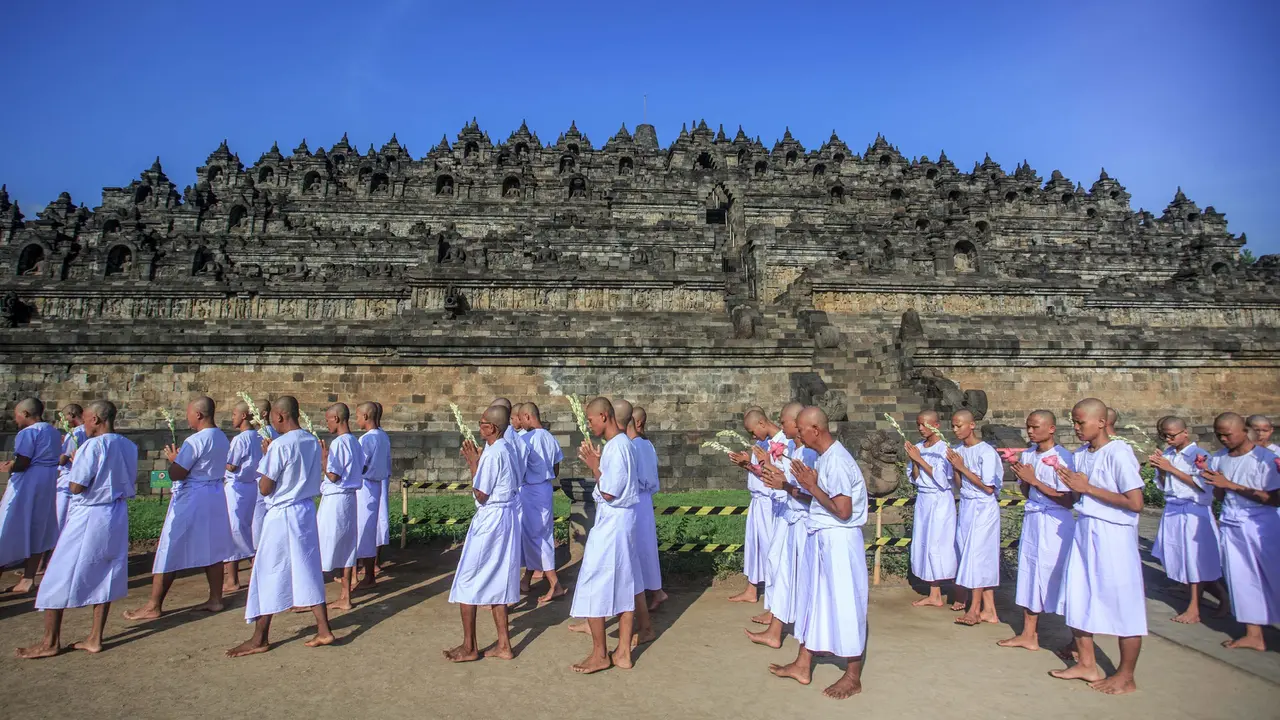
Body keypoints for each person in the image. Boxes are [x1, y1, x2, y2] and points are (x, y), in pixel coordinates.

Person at [15, 400, 137, 659]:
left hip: (89, 513)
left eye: (86, 418)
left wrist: (72, 462)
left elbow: (76, 487)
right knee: (106, 570)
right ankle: (95, 637)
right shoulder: (128, 445)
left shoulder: (92, 446)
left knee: (57, 574)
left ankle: (50, 641)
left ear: (95, 420)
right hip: (115, 513)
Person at [768, 406, 868, 700]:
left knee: (845, 604)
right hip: (823, 537)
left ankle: (853, 675)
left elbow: (842, 510)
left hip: (839, 541)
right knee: (816, 600)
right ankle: (803, 664)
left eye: (800, 429)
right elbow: (818, 499)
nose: (797, 433)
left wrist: (811, 484)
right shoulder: (825, 458)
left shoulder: (836, 460)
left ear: (816, 429)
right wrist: (790, 486)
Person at [1051, 398, 1146, 695]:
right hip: (1085, 529)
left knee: (1123, 603)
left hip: (1114, 535)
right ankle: (1087, 663)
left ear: (1102, 422)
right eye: (1074, 422)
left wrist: (1087, 488)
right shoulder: (1080, 455)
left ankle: (1126, 675)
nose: (1076, 428)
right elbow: (1075, 498)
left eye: (1081, 422)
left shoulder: (1119, 453)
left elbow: (1136, 503)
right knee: (1077, 596)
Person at [227, 396, 334, 657]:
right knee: (307, 567)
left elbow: (265, 488)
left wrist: (265, 458)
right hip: (306, 510)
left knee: (267, 571)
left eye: (273, 417)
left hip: (282, 513)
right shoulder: (311, 440)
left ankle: (259, 637)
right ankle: (323, 628)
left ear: (280, 416)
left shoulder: (279, 446)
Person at [124, 397, 232, 620]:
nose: (187, 418)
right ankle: (215, 598)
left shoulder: (196, 440)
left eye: (189, 413)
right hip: (213, 495)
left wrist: (174, 459)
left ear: (199, 415)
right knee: (213, 546)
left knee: (169, 546)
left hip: (193, 497)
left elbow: (177, 473)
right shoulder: (221, 437)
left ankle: (154, 604)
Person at [569, 397, 649, 673]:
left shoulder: (616, 447)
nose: (589, 425)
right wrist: (599, 463)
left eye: (590, 420)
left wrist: (594, 465)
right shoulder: (623, 446)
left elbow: (609, 491)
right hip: (623, 522)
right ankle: (624, 652)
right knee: (625, 583)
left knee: (593, 584)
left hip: (612, 524)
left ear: (604, 416)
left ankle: (601, 654)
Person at [444, 405, 522, 662]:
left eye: (482, 424)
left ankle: (470, 646)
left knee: (468, 578)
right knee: (499, 578)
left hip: (491, 519)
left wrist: (474, 465)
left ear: (493, 428)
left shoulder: (493, 453)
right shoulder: (509, 448)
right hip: (507, 518)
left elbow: (481, 493)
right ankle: (504, 644)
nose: (479, 428)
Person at [1200, 412, 1280, 651]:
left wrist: (1230, 485)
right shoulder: (1218, 459)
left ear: (1244, 431)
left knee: (1274, 575)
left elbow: (1274, 499)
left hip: (1261, 524)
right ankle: (1253, 634)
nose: (1223, 439)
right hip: (1232, 523)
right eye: (1218, 434)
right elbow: (1219, 495)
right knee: (1241, 579)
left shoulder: (1265, 459)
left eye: (1227, 434)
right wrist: (1216, 484)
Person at [997, 410, 1074, 650]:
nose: (1030, 431)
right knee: (1029, 571)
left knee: (1059, 574)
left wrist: (1035, 481)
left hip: (1056, 522)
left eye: (1036, 427)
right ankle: (1029, 633)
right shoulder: (1029, 454)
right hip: (1033, 519)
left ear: (1051, 428)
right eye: (1028, 427)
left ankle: (1076, 639)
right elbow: (1027, 493)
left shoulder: (1063, 457)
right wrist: (1024, 480)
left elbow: (1068, 500)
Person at [746, 401, 817, 648]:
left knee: (790, 573)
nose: (783, 426)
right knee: (777, 565)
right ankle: (776, 625)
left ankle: (782, 629)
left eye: (786, 421)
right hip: (788, 516)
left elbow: (812, 492)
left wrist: (783, 483)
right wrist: (764, 466)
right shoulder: (795, 452)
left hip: (801, 522)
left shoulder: (809, 454)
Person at [1147, 416, 1225, 624]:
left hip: (1194, 510)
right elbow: (1163, 484)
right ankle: (1224, 599)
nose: (1168, 439)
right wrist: (1162, 469)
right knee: (1181, 558)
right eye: (1165, 435)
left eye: (1172, 435)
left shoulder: (1200, 455)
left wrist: (1171, 468)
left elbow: (1202, 485)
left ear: (1185, 433)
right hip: (1173, 509)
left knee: (1195, 560)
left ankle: (1194, 608)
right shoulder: (1169, 454)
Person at [946, 409, 1002, 626]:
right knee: (969, 552)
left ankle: (975, 609)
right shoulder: (959, 450)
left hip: (984, 507)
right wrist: (956, 469)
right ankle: (990, 610)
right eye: (953, 426)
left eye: (959, 425)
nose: (955, 429)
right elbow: (961, 486)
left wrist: (962, 467)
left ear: (971, 425)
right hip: (968, 505)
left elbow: (988, 487)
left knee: (976, 555)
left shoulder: (986, 452)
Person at [0, 398, 61, 594]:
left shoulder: (28, 432)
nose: (15, 419)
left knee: (7, 525)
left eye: (16, 415)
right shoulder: (53, 431)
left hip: (29, 483)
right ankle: (28, 578)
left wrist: (10, 466)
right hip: (48, 481)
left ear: (25, 414)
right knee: (39, 527)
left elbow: (24, 462)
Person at [901, 410, 957, 608]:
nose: (920, 429)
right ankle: (934, 593)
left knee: (939, 542)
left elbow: (942, 480)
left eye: (925, 425)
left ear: (937, 425)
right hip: (924, 499)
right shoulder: (918, 447)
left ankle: (955, 590)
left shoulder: (944, 449)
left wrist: (920, 459)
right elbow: (915, 477)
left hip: (940, 500)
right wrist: (915, 460)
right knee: (924, 542)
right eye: (918, 425)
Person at [727, 407, 781, 604]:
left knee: (768, 546)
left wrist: (748, 465)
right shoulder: (761, 443)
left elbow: (770, 473)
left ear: (761, 422)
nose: (752, 436)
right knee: (754, 545)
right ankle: (751, 588)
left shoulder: (779, 443)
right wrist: (746, 464)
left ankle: (775, 594)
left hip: (769, 501)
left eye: (752, 431)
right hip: (757, 500)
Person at [517, 402, 566, 603]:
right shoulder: (550, 438)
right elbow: (556, 469)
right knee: (540, 534)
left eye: (520, 418)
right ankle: (526, 579)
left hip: (530, 490)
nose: (519, 423)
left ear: (528, 417)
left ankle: (555, 584)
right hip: (545, 488)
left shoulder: (526, 440)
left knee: (535, 537)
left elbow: (519, 469)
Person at [318, 403, 363, 611]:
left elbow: (334, 476)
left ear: (336, 418)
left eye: (328, 419)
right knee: (347, 546)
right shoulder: (355, 442)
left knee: (324, 542)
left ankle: (313, 597)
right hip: (349, 499)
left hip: (336, 499)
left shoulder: (338, 443)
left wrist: (324, 461)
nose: (326, 423)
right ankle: (345, 596)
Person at [629, 406, 668, 611]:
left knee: (642, 548)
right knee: (644, 547)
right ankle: (653, 590)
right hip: (642, 500)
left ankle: (653, 591)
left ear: (637, 423)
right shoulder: (646, 444)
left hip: (638, 498)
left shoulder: (636, 445)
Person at [223, 401, 264, 592]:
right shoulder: (259, 436)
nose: (232, 418)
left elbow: (231, 465)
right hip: (251, 487)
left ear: (244, 416)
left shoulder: (241, 439)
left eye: (234, 414)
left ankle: (236, 576)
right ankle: (234, 575)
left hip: (237, 487)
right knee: (241, 527)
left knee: (234, 530)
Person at [355, 401, 389, 588]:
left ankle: (367, 574)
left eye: (357, 416)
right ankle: (366, 571)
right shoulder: (383, 436)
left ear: (366, 416)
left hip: (366, 486)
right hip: (375, 486)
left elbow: (360, 465)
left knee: (365, 530)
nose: (356, 420)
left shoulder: (366, 439)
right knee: (369, 528)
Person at [54, 403, 87, 533]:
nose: (63, 422)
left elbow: (63, 460)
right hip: (82, 476)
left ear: (71, 415)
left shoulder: (76, 433)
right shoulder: (89, 432)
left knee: (61, 514)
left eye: (63, 418)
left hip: (68, 477)